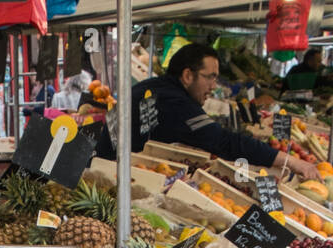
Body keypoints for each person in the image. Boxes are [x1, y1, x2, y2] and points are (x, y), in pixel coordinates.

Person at [130, 43, 318, 178]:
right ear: (187, 75)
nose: (213, 86)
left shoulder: (151, 87)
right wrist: (291, 162)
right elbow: (226, 142)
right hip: (122, 178)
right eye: (210, 78)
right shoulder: (177, 103)